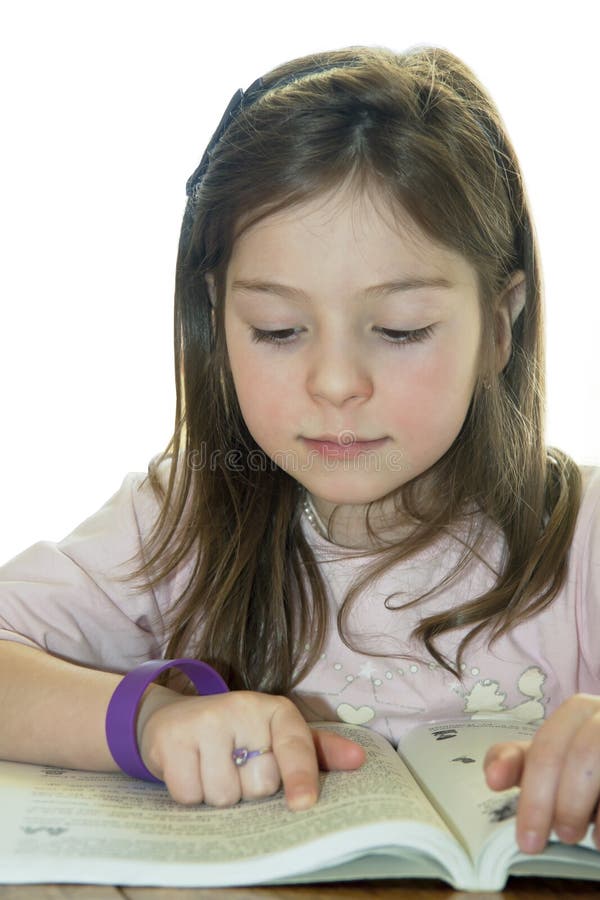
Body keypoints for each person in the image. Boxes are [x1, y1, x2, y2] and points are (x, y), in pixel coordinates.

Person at [0, 43, 598, 860]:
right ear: (217, 320)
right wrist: (152, 721)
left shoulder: (583, 541)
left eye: (401, 330)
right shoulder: (182, 519)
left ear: (500, 324)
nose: (337, 381)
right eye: (278, 331)